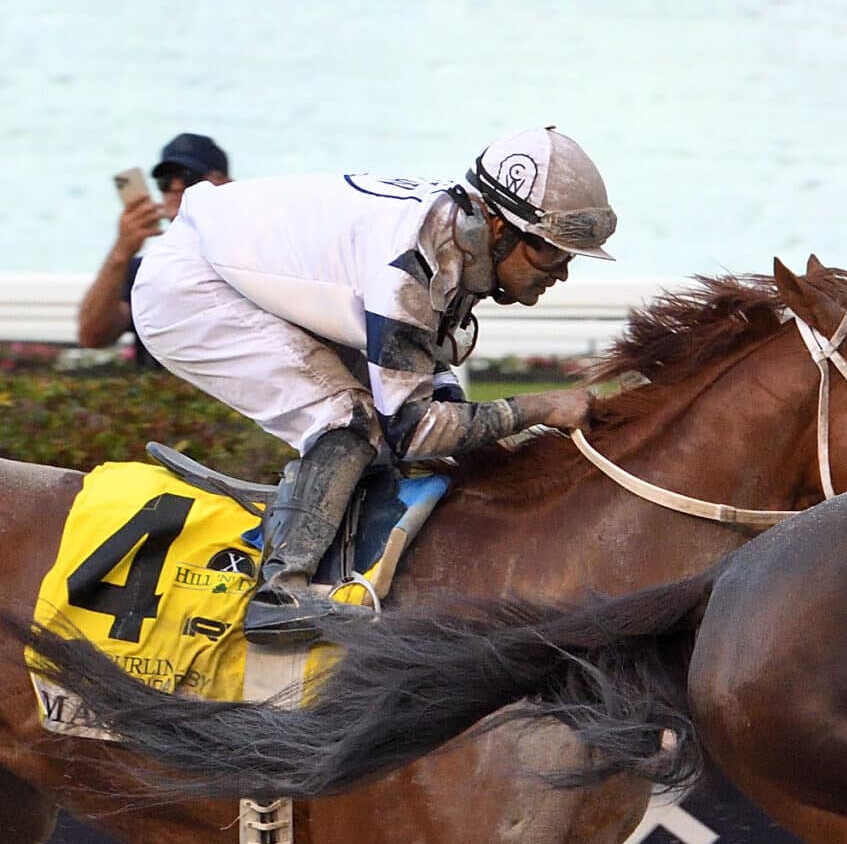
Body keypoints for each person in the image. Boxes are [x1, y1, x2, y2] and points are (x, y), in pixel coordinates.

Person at [130, 126, 616, 642]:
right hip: (190, 287)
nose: (562, 273)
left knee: (381, 433)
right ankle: (280, 594)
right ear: (499, 228)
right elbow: (415, 429)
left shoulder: (458, 239)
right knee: (349, 421)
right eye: (552, 253)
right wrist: (541, 408)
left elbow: (430, 385)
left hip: (247, 277)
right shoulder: (411, 265)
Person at [72, 132, 233, 360]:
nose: (175, 187)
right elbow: (93, 336)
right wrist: (121, 252)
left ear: (224, 185)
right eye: (165, 181)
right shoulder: (143, 271)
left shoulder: (244, 263)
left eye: (190, 178)